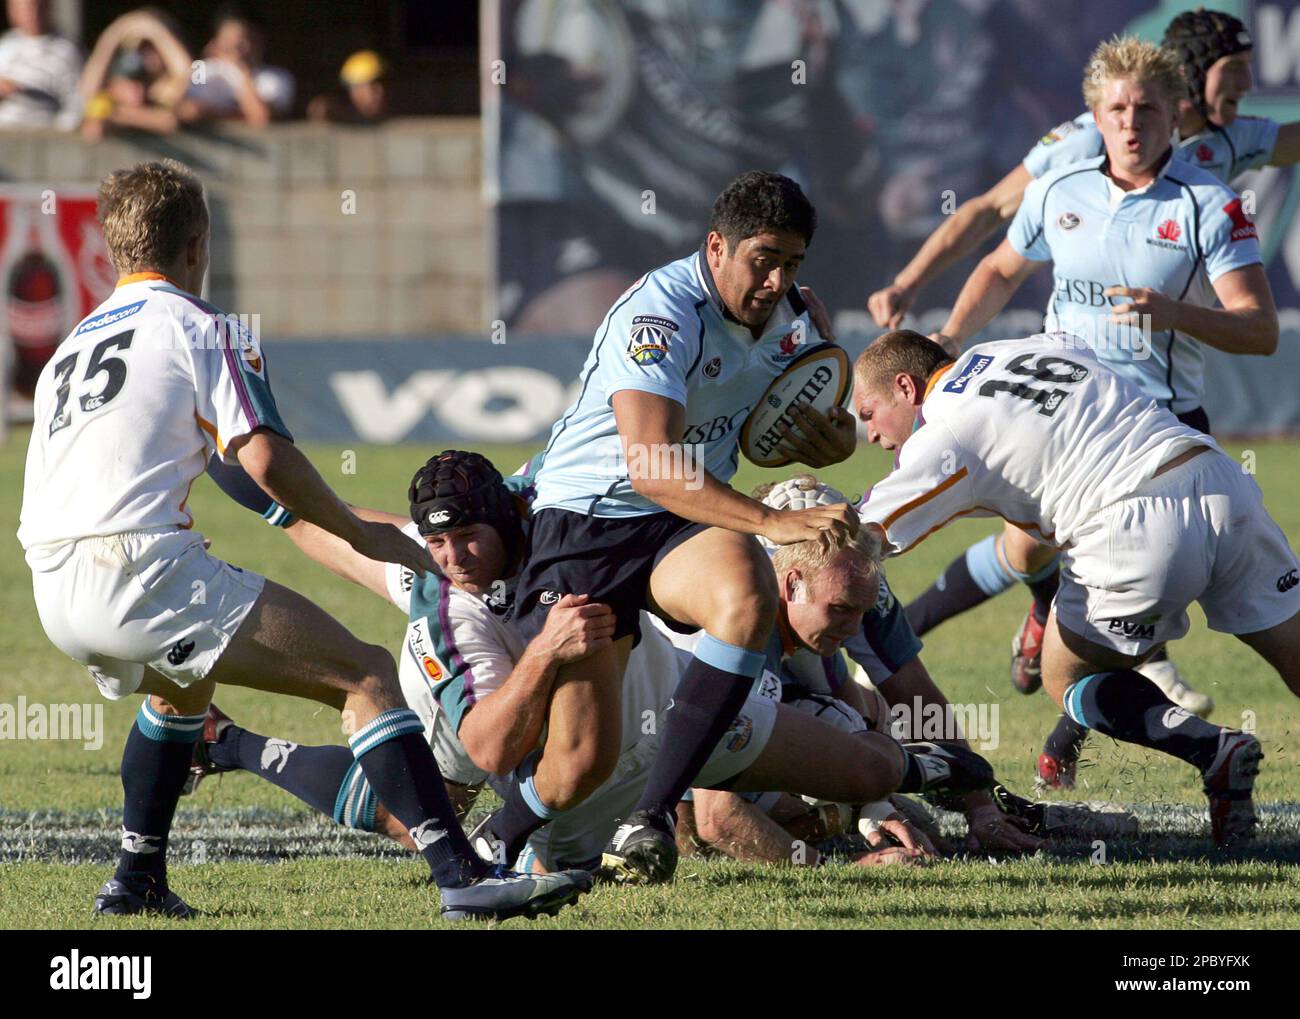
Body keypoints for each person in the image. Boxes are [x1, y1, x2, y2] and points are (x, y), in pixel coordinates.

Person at [15, 160, 589, 921]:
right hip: (137, 565)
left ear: (116, 250)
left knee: (183, 688)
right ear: (199, 245)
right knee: (365, 673)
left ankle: (135, 877)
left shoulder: (69, 348)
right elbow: (263, 457)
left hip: (50, 583)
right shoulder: (203, 325)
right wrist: (357, 533)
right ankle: (461, 875)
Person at [187, 452, 994, 873]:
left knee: (868, 761)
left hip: (668, 705)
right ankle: (234, 744)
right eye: (441, 542)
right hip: (512, 732)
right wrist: (241, 464)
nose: (457, 556)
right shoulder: (445, 588)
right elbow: (341, 531)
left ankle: (954, 779)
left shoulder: (564, 518)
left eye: (470, 535)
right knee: (421, 818)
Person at [873, 10, 1300, 719]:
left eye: (1145, 110)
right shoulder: (1068, 163)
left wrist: (1172, 312)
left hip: (1158, 417)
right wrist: (927, 306)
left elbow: (1258, 319)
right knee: (1044, 558)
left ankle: (1077, 669)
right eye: (1233, 82)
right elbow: (992, 232)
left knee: (1091, 573)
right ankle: (1053, 656)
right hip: (1069, 409)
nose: (1130, 123)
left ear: (1174, 105)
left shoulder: (1218, 174)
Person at [479, 170, 859, 885]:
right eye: (763, 258)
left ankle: (649, 819)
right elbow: (653, 463)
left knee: (746, 596)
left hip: (680, 518)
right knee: (581, 759)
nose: (777, 279)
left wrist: (829, 440)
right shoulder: (661, 311)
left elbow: (798, 432)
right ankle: (499, 831)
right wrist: (775, 519)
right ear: (717, 247)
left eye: (794, 263)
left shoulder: (798, 319)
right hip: (590, 516)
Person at [852, 329, 1298, 848]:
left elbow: (858, 537)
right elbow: (1065, 377)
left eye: (867, 414)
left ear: (906, 387)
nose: (872, 437)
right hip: (1216, 476)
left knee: (1065, 676)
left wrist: (780, 523)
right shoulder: (1006, 349)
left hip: (1133, 521)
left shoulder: (942, 432)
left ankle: (1212, 749)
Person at [77, 9, 192, 142]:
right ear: (113, 82)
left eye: (141, 81)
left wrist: (155, 31)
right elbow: (92, 125)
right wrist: (114, 34)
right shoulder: (102, 101)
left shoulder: (158, 94)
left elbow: (188, 78)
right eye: (130, 81)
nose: (138, 90)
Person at [178, 7, 293, 127]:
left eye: (243, 40)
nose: (235, 47)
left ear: (259, 40)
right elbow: (187, 110)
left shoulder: (276, 77)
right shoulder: (201, 71)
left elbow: (262, 116)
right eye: (229, 39)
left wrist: (240, 70)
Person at [0, 0, 82, 131]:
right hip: (6, 134)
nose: (33, 14)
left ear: (49, 9)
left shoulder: (66, 51)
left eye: (38, 8)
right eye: (26, 9)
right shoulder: (5, 46)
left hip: (43, 136)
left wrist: (59, 134)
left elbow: (76, 103)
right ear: (12, 11)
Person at [307, 49, 389, 124]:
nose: (380, 91)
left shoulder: (396, 109)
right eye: (372, 85)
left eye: (383, 83)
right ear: (355, 91)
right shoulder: (338, 114)